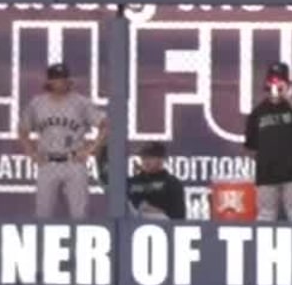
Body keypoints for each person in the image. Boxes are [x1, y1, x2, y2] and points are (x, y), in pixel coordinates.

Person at [19, 62, 107, 220]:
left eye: (63, 78)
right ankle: (41, 236)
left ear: (68, 80)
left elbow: (105, 125)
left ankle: (80, 236)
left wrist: (91, 149)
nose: (60, 82)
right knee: (42, 213)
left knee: (80, 214)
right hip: (47, 161)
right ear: (49, 81)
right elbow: (22, 129)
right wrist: (31, 153)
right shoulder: (37, 104)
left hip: (73, 161)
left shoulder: (81, 102)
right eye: (56, 79)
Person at [243, 61, 292, 222]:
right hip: (267, 174)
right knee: (265, 216)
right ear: (266, 84)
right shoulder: (258, 112)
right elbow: (250, 145)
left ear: (288, 84)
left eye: (280, 81)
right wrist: (264, 161)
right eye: (272, 81)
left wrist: (287, 97)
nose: (275, 85)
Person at [126, 142, 187, 220]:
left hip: (162, 224)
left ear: (161, 159)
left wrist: (158, 213)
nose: (145, 161)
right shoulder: (132, 182)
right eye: (143, 157)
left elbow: (179, 216)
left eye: (150, 157)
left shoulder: (172, 183)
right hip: (131, 224)